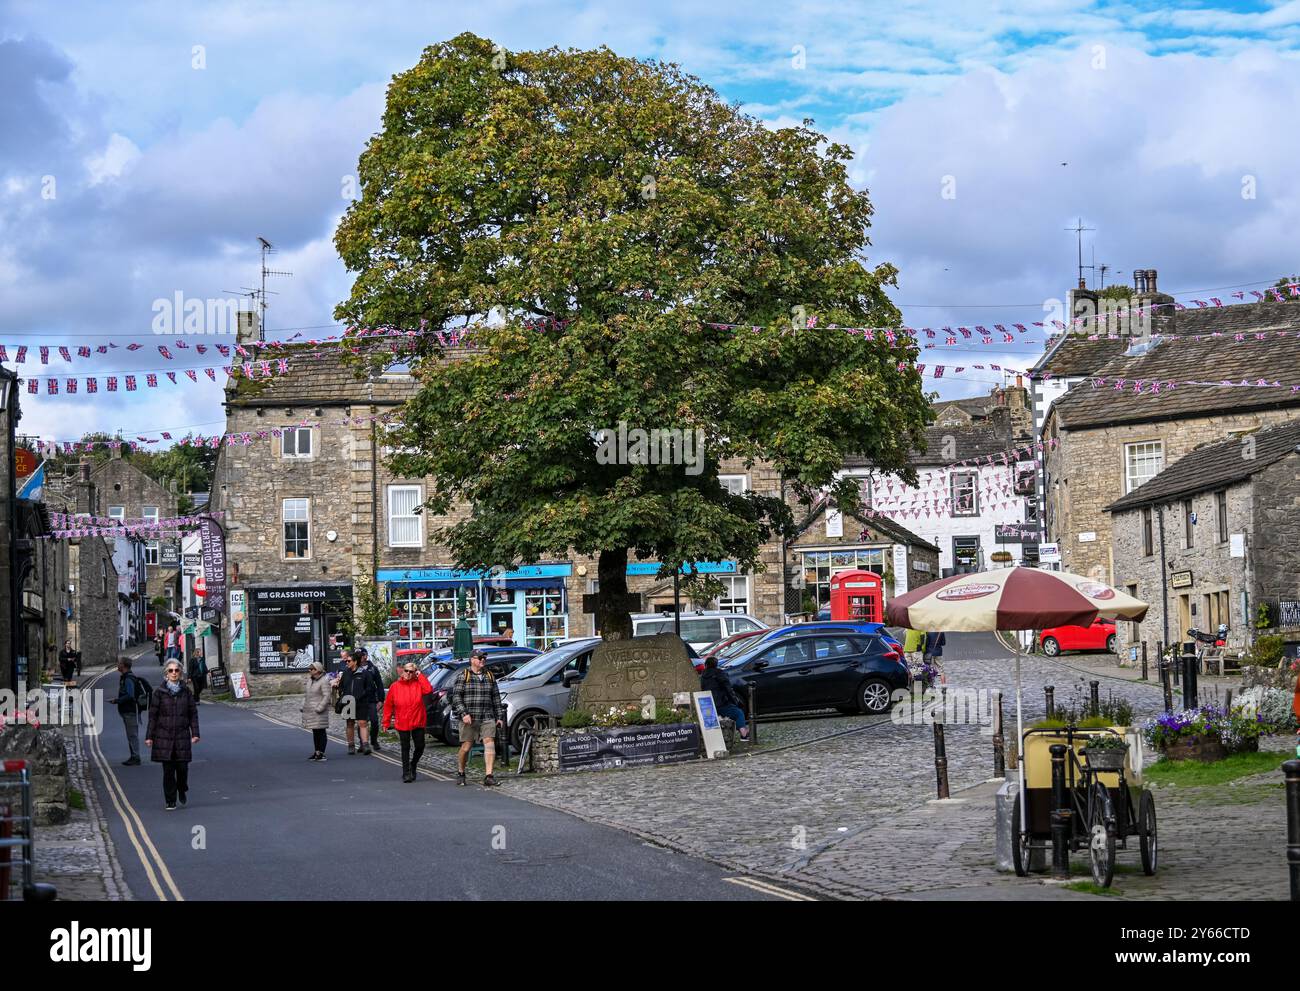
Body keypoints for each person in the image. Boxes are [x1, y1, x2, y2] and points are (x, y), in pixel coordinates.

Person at [145, 659, 200, 811]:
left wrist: (195, 733)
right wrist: (149, 736)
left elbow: (193, 714)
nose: (174, 673)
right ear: (166, 674)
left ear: (180, 673)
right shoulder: (159, 693)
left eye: (176, 670)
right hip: (164, 738)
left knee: (182, 769)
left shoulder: (186, 692)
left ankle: (182, 788)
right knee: (168, 771)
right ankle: (170, 800)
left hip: (182, 736)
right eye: (171, 671)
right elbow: (153, 716)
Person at [449, 649, 504, 787]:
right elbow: (456, 697)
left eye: (484, 657)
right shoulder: (464, 675)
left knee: (489, 742)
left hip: (487, 716)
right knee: (466, 747)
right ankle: (461, 772)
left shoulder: (489, 676)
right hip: (470, 716)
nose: (482, 660)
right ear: (472, 660)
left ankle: (489, 775)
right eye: (479, 658)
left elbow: (496, 697)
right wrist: (464, 713)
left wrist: (499, 716)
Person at [382, 660, 433, 782]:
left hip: (417, 719)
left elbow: (428, 689)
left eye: (412, 672)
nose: (409, 673)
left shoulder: (418, 684)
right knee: (405, 747)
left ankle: (413, 764)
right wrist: (386, 722)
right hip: (402, 720)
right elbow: (388, 705)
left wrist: (420, 675)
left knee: (420, 746)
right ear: (402, 672)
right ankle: (406, 773)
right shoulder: (395, 686)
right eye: (407, 671)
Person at [106, 656, 148, 766]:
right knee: (130, 734)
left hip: (130, 711)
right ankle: (133, 756)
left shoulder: (129, 678)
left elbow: (130, 695)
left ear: (123, 666)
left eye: (119, 663)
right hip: (128, 710)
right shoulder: (126, 677)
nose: (117, 665)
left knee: (132, 735)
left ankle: (135, 757)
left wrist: (117, 700)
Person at [338, 651, 379, 755]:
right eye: (346, 661)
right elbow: (341, 686)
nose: (346, 662)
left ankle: (365, 745)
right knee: (350, 723)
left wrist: (362, 695)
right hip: (348, 701)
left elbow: (370, 687)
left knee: (362, 723)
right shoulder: (346, 673)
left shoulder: (364, 673)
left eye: (349, 661)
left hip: (361, 701)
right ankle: (351, 745)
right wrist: (343, 694)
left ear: (355, 662)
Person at [699, 656, 748, 740]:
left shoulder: (702, 676)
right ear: (716, 664)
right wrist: (736, 702)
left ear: (706, 665)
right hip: (721, 703)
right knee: (738, 713)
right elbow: (729, 690)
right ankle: (743, 734)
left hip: (707, 705)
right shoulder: (720, 673)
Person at [355, 647, 385, 751]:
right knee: (361, 722)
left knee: (374, 721)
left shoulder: (373, 668)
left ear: (365, 656)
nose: (358, 658)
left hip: (371, 699)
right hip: (359, 700)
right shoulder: (354, 668)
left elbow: (379, 684)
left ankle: (374, 740)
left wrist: (381, 700)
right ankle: (363, 742)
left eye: (360, 655)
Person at [302, 660, 332, 761]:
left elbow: (327, 696)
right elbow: (307, 695)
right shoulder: (310, 680)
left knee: (321, 731)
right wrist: (304, 706)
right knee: (315, 731)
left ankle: (322, 753)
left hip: (319, 710)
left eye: (312, 669)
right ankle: (317, 751)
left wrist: (320, 708)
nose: (309, 670)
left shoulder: (324, 681)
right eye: (309, 669)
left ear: (318, 670)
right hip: (311, 710)